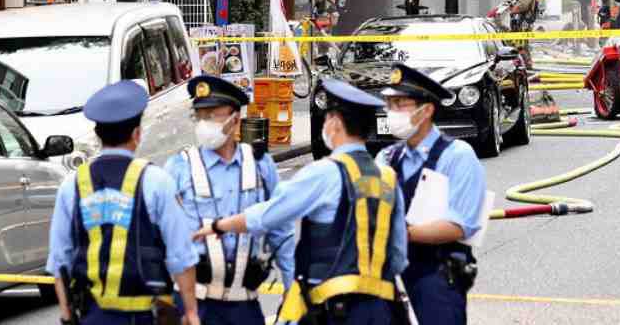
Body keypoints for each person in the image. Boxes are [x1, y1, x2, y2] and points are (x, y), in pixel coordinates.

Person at [191, 79, 407, 324]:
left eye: (326, 119)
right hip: (382, 310)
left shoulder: (324, 173)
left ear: (334, 123)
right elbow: (399, 256)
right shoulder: (388, 178)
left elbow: (267, 216)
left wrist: (219, 226)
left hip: (336, 310)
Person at [47, 81, 201, 325]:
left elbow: (59, 260)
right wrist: (191, 312)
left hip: (92, 315)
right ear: (137, 134)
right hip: (146, 315)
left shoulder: (72, 185)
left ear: (97, 136)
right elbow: (181, 256)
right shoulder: (157, 181)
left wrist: (67, 315)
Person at [165, 76, 295, 325]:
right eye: (199, 115)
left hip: (244, 305)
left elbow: (281, 230)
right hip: (194, 303)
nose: (204, 123)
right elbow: (161, 233)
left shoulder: (259, 165)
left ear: (234, 118)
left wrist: (291, 289)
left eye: (212, 115)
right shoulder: (180, 167)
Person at [377, 64, 487, 325]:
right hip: (389, 275)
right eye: (389, 104)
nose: (391, 112)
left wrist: (401, 232)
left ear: (426, 110)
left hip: (436, 276)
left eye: (400, 103)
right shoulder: (387, 158)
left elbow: (460, 225)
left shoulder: (456, 156)